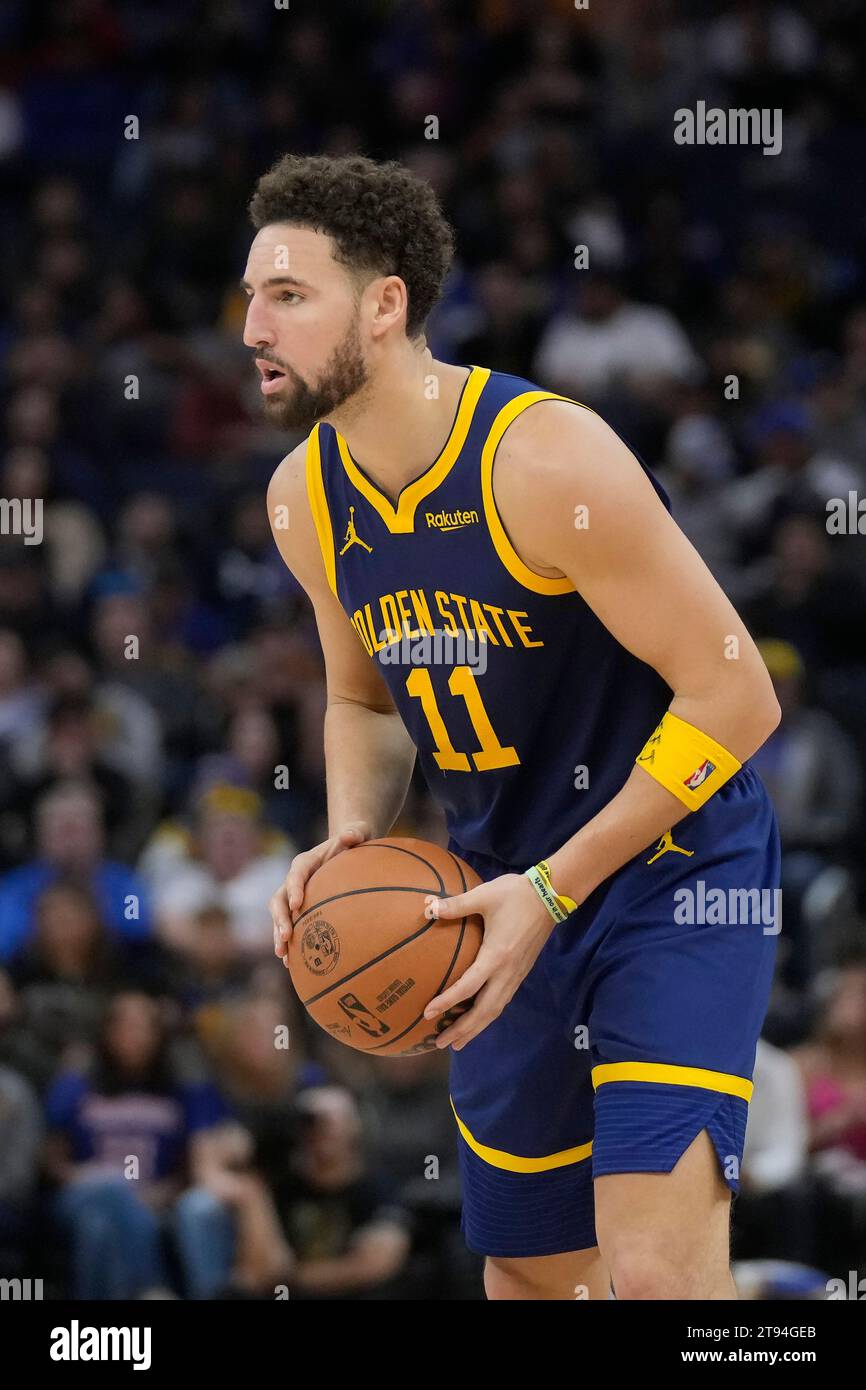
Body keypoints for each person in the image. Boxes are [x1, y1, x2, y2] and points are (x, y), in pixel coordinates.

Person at [247, 154, 781, 1300]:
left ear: (385, 304)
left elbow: (737, 696)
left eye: (288, 295)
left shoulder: (545, 459)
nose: (254, 325)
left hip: (664, 870)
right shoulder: (304, 498)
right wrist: (351, 836)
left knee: (651, 1278)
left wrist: (552, 891)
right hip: (484, 896)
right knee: (534, 1279)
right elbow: (359, 698)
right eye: (249, 296)